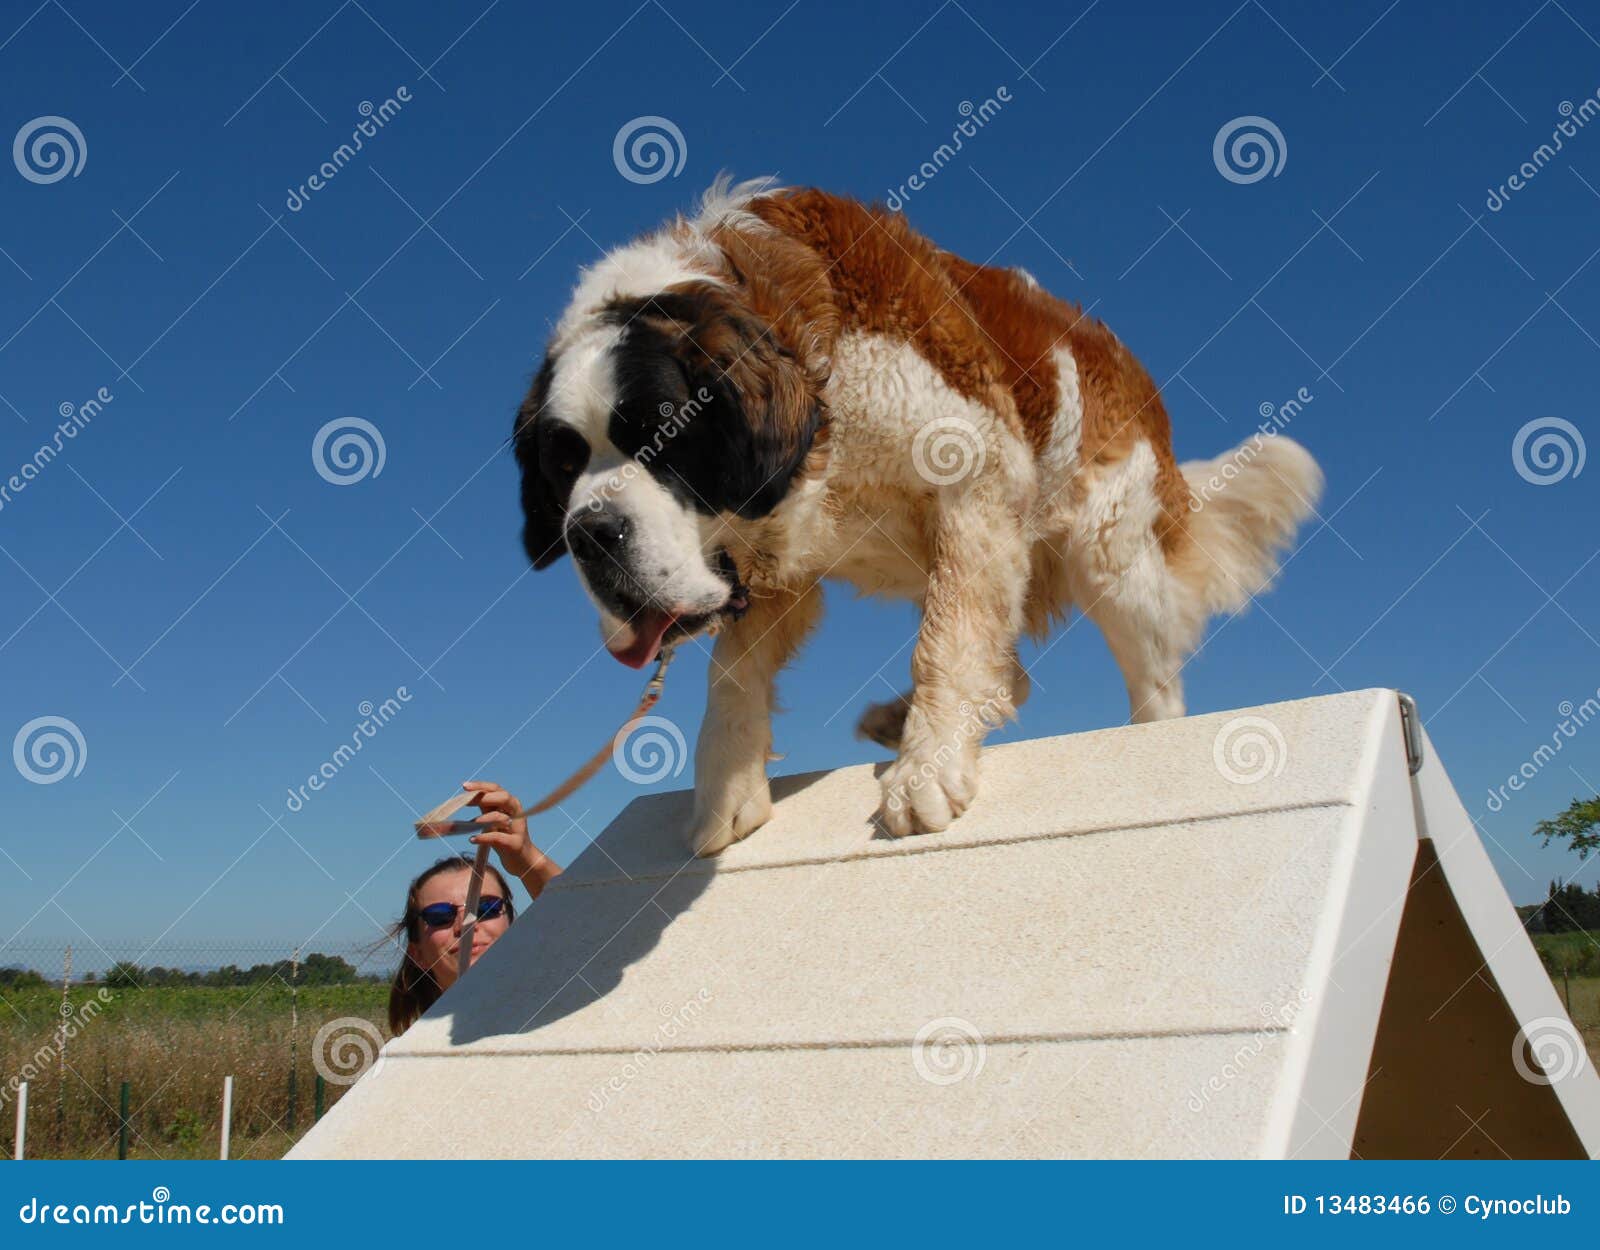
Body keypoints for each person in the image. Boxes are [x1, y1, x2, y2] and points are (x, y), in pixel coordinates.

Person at [387, 781, 561, 1035]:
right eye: (440, 916)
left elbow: (601, 925)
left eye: (487, 908)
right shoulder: (408, 1058)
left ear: (512, 926)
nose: (467, 923)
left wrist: (528, 859)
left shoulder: (559, 1006)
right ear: (418, 954)